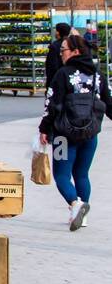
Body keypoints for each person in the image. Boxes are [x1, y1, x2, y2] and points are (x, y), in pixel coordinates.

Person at [40, 32, 107, 231]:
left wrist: (44, 129)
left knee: (61, 174)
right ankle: (82, 215)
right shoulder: (97, 75)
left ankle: (74, 204)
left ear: (75, 51)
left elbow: (52, 104)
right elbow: (108, 102)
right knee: (82, 174)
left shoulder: (63, 74)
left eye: (63, 50)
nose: (61, 54)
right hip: (90, 134)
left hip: (63, 136)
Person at [45, 22, 73, 89]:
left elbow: (52, 66)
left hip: (57, 80)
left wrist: (49, 83)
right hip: (70, 78)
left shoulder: (54, 46)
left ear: (58, 32)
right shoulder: (72, 44)